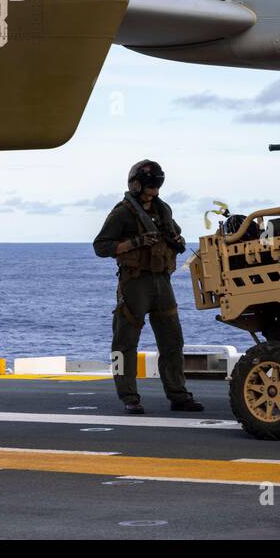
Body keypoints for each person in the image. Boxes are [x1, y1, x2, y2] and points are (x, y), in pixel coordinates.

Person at [93, 161, 202, 415]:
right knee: (124, 342)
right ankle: (129, 396)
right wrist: (135, 242)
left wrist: (177, 241)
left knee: (173, 341)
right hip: (135, 283)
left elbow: (176, 237)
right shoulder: (122, 213)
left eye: (156, 186)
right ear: (136, 184)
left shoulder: (164, 211)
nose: (153, 192)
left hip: (162, 281)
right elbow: (101, 246)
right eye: (150, 186)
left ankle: (178, 395)